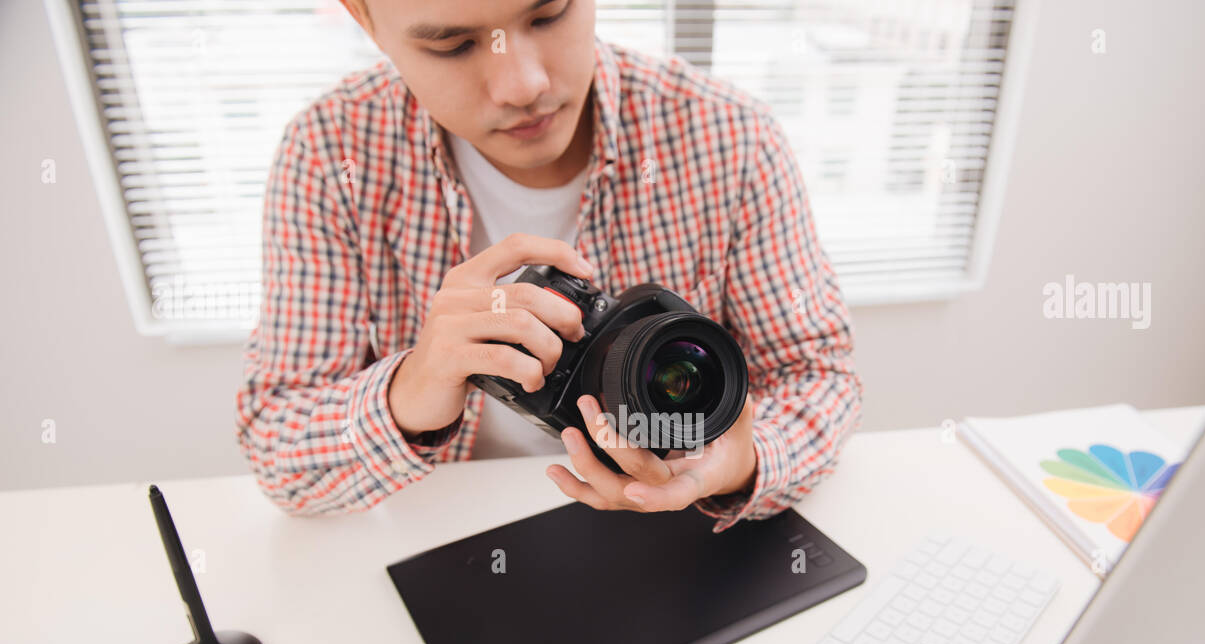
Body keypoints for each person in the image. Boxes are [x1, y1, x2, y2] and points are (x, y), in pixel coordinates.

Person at [236, 0, 862, 533]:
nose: (522, 84)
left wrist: (735, 463)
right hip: (449, 533)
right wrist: (412, 390)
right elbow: (279, 451)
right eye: (453, 45)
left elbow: (820, 377)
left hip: (684, 534)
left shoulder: (727, 137)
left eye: (550, 13)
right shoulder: (331, 156)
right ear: (363, 19)